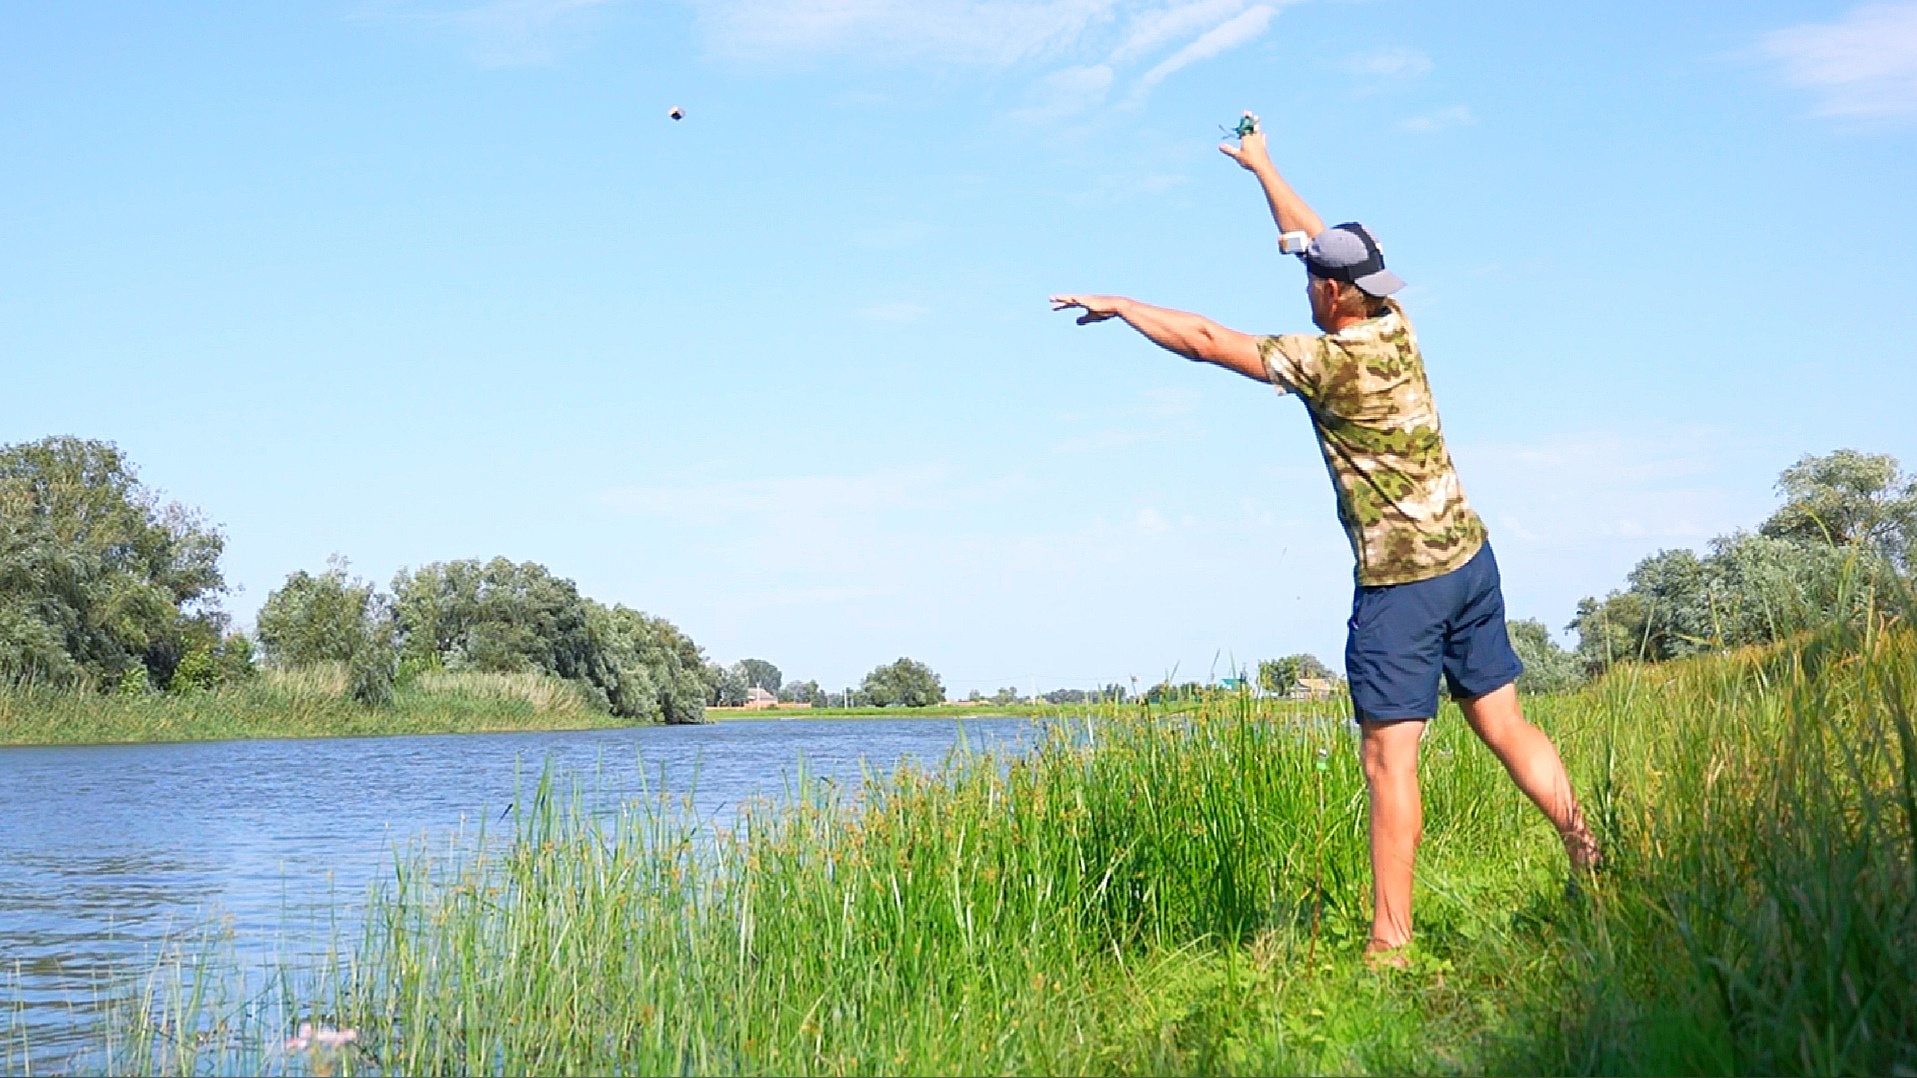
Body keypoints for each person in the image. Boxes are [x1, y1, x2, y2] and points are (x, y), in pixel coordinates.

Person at [1050, 118, 1600, 966]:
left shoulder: (1323, 362)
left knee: (1389, 762)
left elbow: (1203, 339)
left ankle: (1388, 946)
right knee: (1503, 722)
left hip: (1400, 588)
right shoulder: (1396, 324)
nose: (1306, 282)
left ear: (1333, 296)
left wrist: (1122, 305)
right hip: (1470, 561)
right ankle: (1588, 855)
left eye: (1315, 279)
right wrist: (1263, 168)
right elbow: (1317, 242)